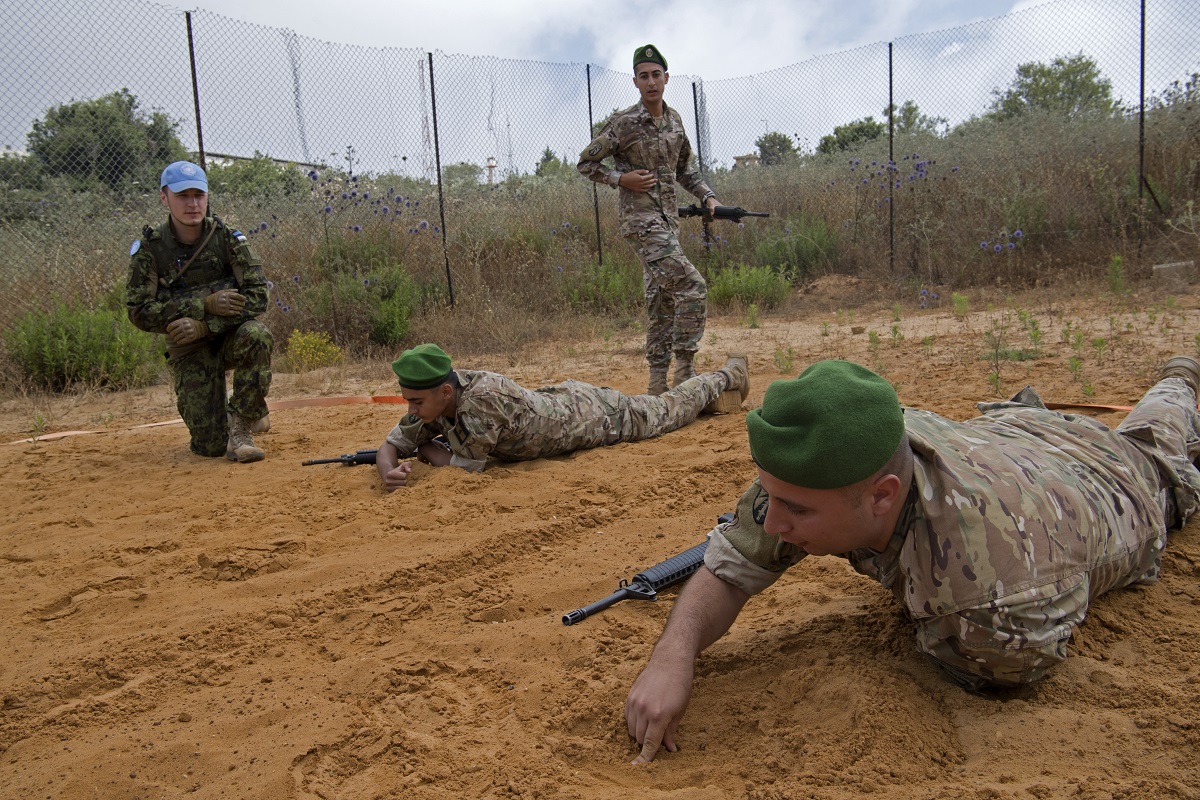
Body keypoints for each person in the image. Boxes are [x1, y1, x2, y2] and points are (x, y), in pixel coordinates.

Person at [624, 357, 1200, 764]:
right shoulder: (850, 450)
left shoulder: (987, 606)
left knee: (1159, 436)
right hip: (1017, 432)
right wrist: (673, 657)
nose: (773, 523)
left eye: (794, 510)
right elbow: (734, 559)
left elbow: (1001, 658)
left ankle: (1180, 378)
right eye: (769, 496)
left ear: (882, 495)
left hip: (1113, 478)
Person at [375, 343, 749, 490]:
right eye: (407, 401)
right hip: (560, 402)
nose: (410, 410)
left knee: (668, 411)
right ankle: (715, 393)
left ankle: (727, 376)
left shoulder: (481, 400)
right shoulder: (435, 399)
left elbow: (467, 466)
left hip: (594, 418)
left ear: (444, 393)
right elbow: (392, 444)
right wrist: (388, 470)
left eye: (415, 403)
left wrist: (426, 451)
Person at [577, 44, 721, 396]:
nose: (651, 81)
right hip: (641, 223)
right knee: (692, 286)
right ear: (636, 82)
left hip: (667, 222)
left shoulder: (675, 122)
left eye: (656, 74)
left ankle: (658, 387)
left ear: (666, 78)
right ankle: (685, 372)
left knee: (662, 300)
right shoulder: (624, 123)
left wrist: (707, 196)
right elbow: (586, 164)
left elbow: (685, 170)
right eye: (644, 76)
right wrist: (620, 179)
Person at [126, 161, 273, 462]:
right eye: (182, 196)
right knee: (208, 447)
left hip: (231, 337)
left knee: (257, 335)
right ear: (164, 198)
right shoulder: (150, 250)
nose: (192, 204)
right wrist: (203, 304)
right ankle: (249, 408)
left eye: (199, 195)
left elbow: (258, 297)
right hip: (188, 348)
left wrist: (206, 326)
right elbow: (139, 311)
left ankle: (242, 428)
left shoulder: (228, 239)